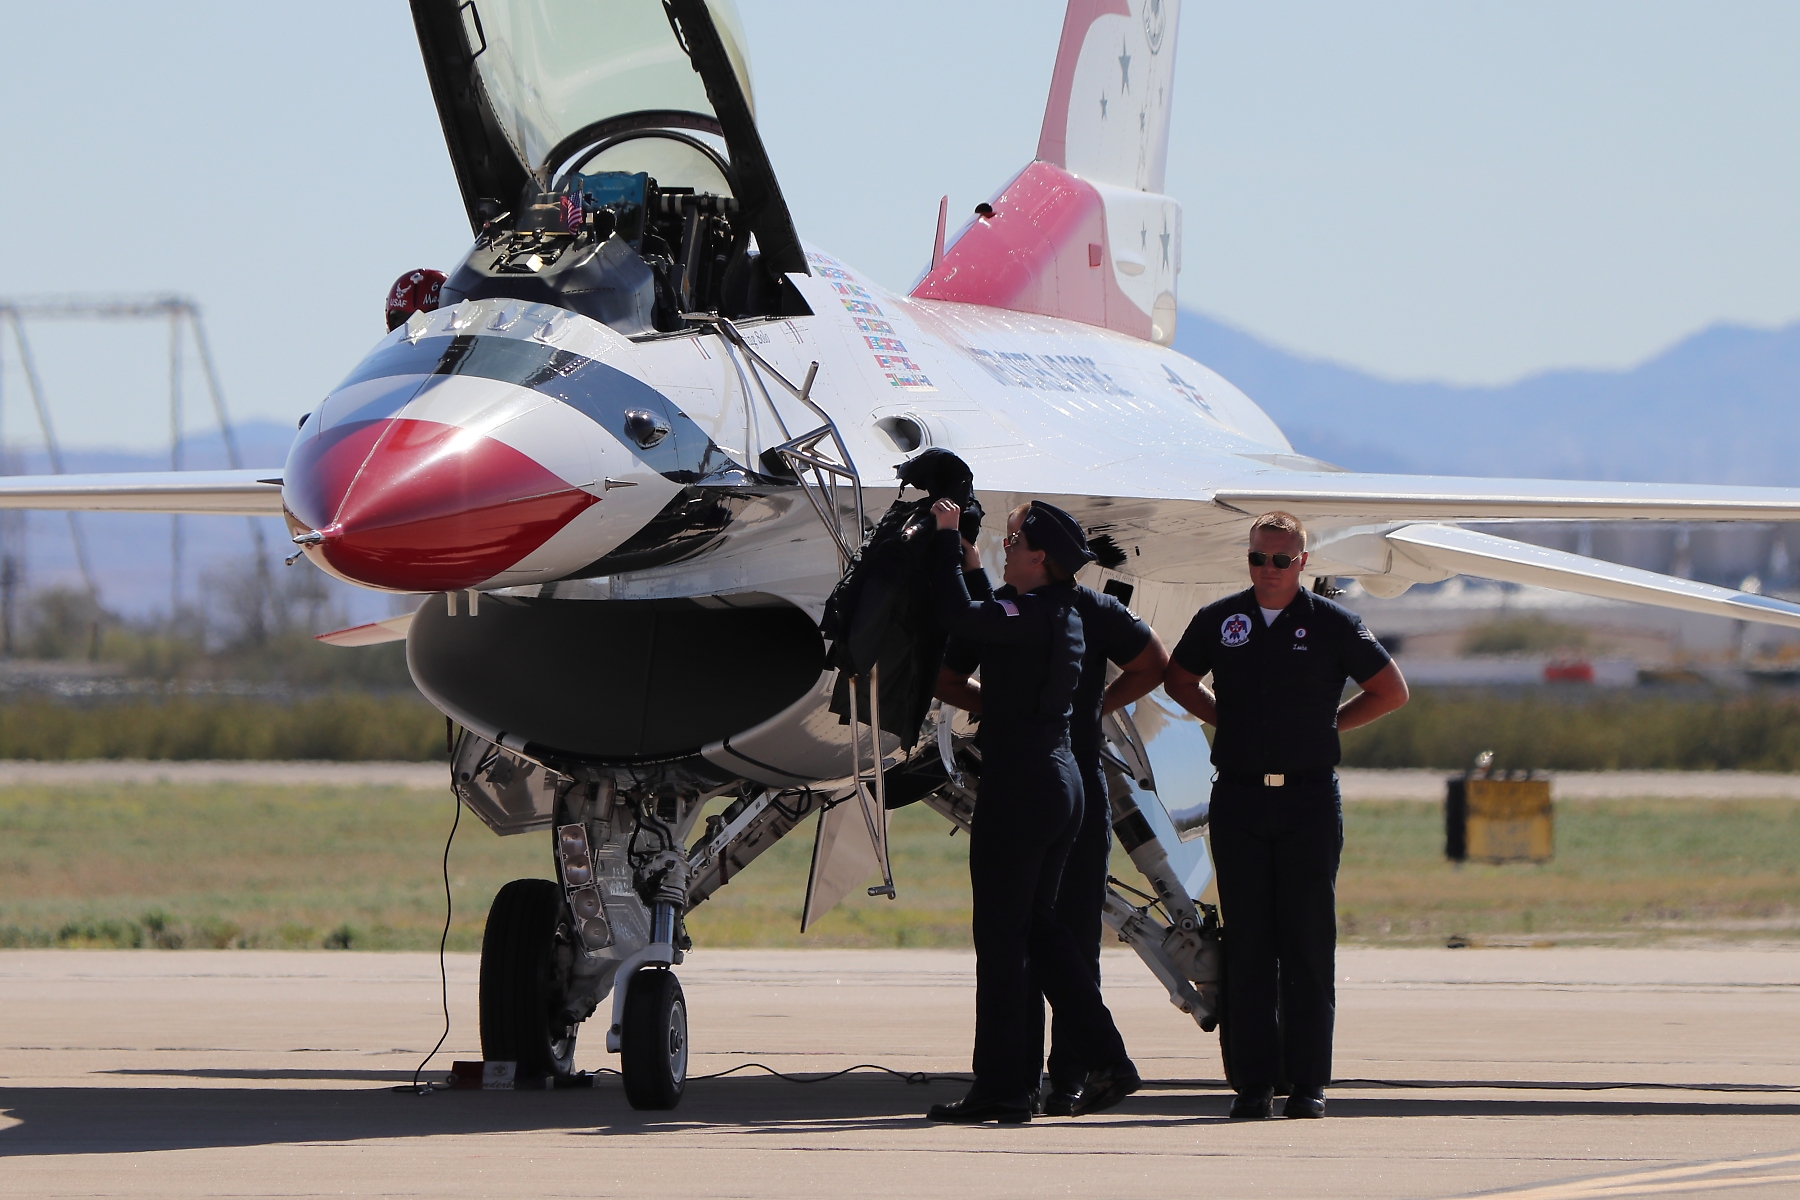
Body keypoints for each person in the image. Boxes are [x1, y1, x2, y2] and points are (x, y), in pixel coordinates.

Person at [1163, 511, 1409, 1120]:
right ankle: (1251, 1086)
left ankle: (1307, 1086)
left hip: (1306, 801)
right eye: (1257, 558)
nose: (1267, 570)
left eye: (1280, 560)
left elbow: (1390, 690)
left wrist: (1326, 729)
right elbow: (1177, 679)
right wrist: (1229, 722)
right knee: (1248, 944)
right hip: (1241, 799)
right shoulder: (1222, 620)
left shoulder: (1332, 624)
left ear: (1303, 563)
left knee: (1306, 943)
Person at [936, 505, 1167, 1115]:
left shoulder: (1030, 610)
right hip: (1065, 773)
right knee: (1046, 932)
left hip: (1024, 781)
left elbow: (967, 618)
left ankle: (1014, 1086)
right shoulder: (1063, 611)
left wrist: (945, 548)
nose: (1004, 548)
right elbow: (978, 634)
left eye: (1012, 541)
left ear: (1040, 557)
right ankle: (1096, 1062)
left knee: (1008, 938)